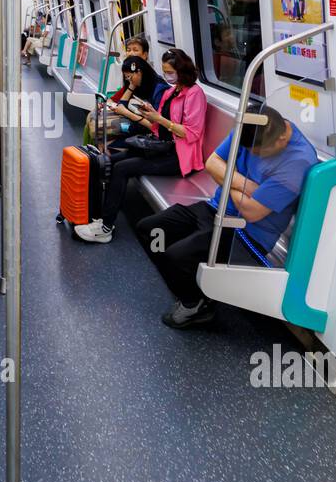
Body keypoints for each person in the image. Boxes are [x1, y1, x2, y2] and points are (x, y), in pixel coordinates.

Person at [135, 105, 318, 329]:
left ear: (281, 140)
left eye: (258, 153)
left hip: (246, 234)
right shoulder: (252, 125)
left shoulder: (298, 161)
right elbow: (212, 163)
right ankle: (195, 288)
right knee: (150, 230)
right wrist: (245, 185)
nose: (252, 155)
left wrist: (226, 177)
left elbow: (252, 212)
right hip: (215, 209)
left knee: (176, 256)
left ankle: (196, 306)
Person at [76, 49, 207, 244]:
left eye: (170, 71)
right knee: (109, 160)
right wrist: (150, 114)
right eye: (164, 71)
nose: (167, 76)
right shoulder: (171, 92)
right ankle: (98, 215)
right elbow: (157, 125)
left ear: (182, 70)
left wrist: (160, 119)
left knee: (122, 169)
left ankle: (105, 228)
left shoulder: (195, 94)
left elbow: (192, 133)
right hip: (160, 145)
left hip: (178, 156)